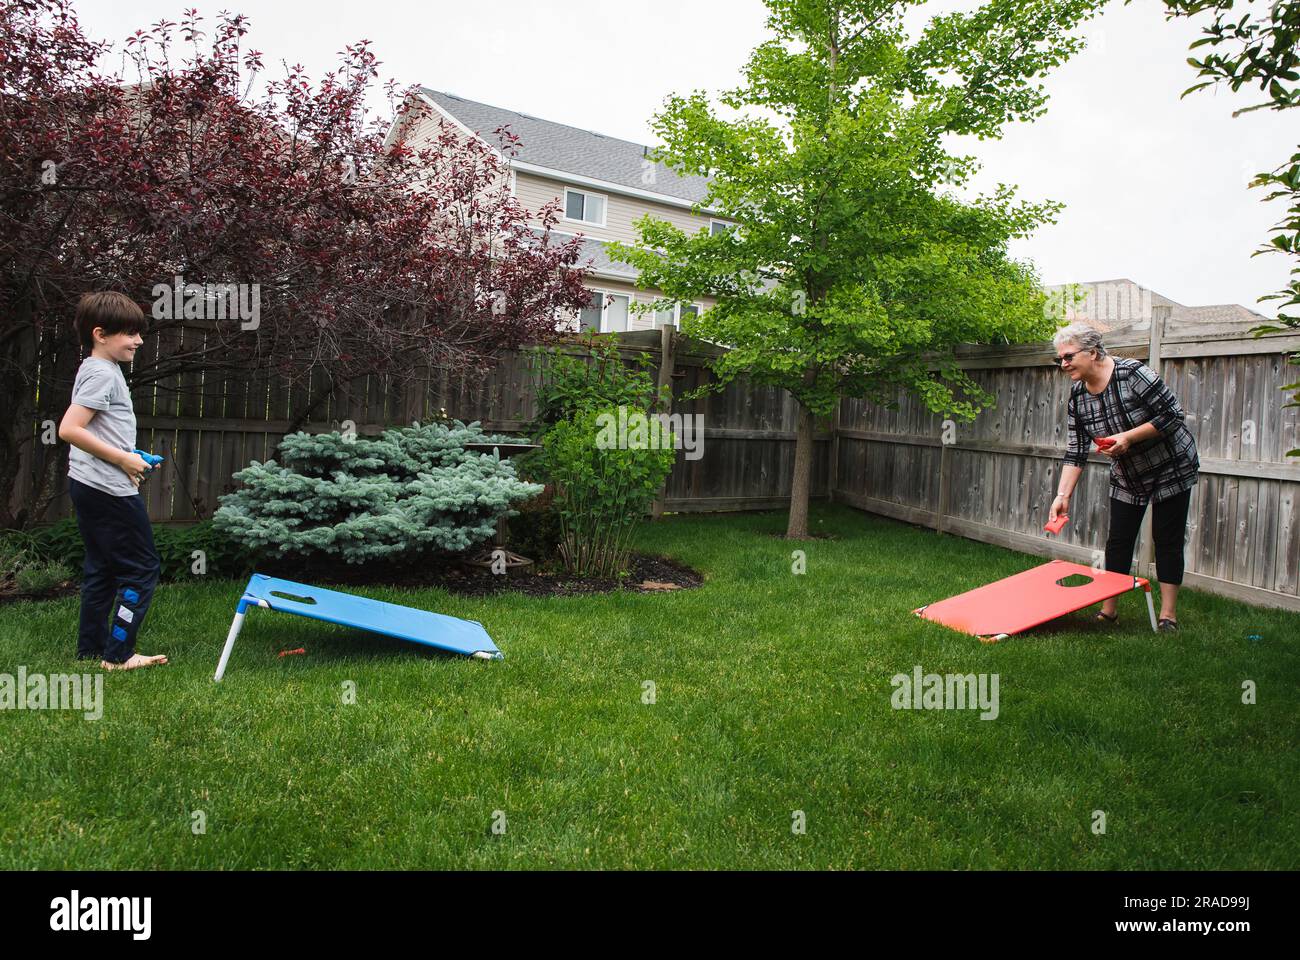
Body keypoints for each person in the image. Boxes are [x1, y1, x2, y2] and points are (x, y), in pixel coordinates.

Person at [1047, 322, 1199, 631]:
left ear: (1092, 352)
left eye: (1068, 357)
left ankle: (1168, 615)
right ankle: (1109, 610)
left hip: (1171, 464)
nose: (1063, 364)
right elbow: (1076, 450)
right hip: (1128, 473)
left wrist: (1128, 438)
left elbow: (1172, 415)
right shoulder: (1078, 396)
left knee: (1166, 540)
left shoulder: (1132, 375)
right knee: (1118, 540)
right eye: (1059, 359)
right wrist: (1062, 497)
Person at [58, 292, 168, 670]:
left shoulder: (96, 368)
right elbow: (70, 429)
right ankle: (119, 654)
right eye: (130, 333)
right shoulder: (103, 374)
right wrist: (122, 459)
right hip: (108, 490)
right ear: (100, 333)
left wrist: (132, 454)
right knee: (141, 569)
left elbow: (98, 431)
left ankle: (91, 648)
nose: (138, 341)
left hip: (89, 483)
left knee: (102, 567)